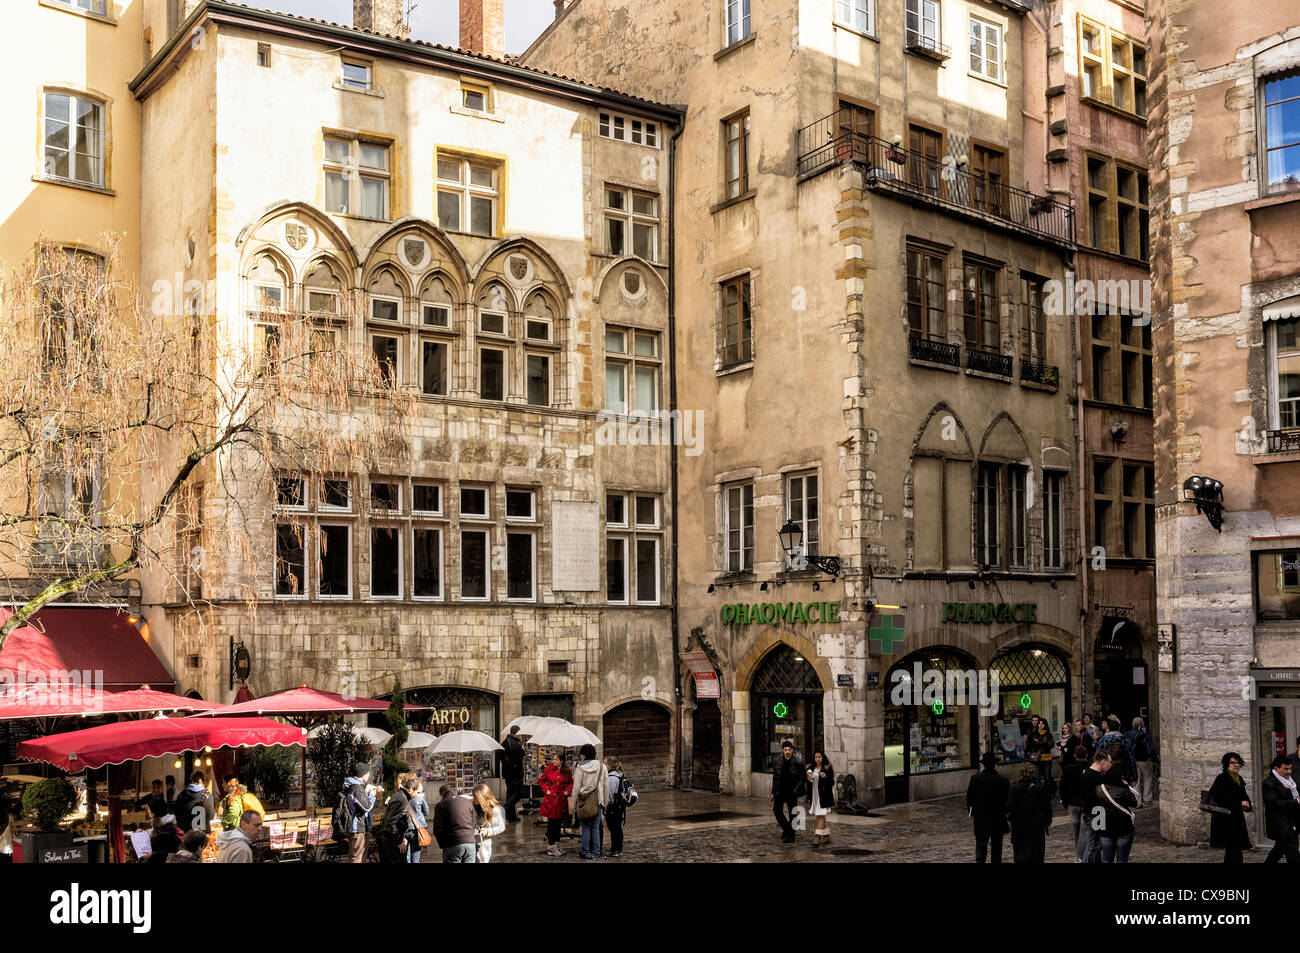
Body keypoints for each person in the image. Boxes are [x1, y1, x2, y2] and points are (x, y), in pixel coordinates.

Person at [1208, 751, 1252, 863]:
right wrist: (1239, 803)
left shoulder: (1238, 778)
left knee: (1235, 848)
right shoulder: (1222, 778)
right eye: (1232, 762)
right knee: (1233, 847)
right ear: (1226, 764)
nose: (1236, 765)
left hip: (1236, 817)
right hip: (1225, 818)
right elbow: (1219, 797)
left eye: (1238, 763)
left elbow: (1243, 795)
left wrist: (1247, 803)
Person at [967, 750, 1010, 863]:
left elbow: (970, 799)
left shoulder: (975, 779)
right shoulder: (1003, 780)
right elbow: (1007, 801)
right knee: (997, 846)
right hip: (998, 817)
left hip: (981, 817)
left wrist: (972, 813)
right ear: (995, 764)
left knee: (982, 843)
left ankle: (981, 861)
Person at [1005, 763, 1052, 863]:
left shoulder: (1014, 789)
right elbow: (1046, 806)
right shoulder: (1039, 789)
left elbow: (1010, 807)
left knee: (1020, 853)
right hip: (1036, 826)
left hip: (1019, 826)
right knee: (1036, 854)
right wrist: (1048, 820)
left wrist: (1011, 818)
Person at [570, 743, 609, 860]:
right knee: (595, 827)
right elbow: (606, 786)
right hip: (598, 801)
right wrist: (605, 802)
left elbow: (576, 787)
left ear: (583, 755)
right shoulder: (602, 767)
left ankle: (585, 851)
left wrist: (572, 804)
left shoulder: (580, 768)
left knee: (585, 827)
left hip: (583, 802)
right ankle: (596, 852)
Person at [1263, 753, 1300, 863]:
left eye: (1290, 768)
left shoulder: (1290, 781)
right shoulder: (1269, 783)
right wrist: (1296, 802)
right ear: (1276, 768)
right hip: (1280, 823)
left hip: (1291, 822)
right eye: (1285, 769)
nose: (1289, 772)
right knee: (1293, 853)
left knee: (1279, 850)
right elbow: (1274, 803)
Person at [1097, 766, 1138, 862]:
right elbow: (1134, 803)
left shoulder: (1099, 789)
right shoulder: (1123, 789)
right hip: (1124, 827)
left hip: (1105, 828)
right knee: (1122, 859)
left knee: (1106, 858)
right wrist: (1126, 786)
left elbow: (1097, 808)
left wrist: (1098, 828)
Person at [1077, 748, 1111, 863]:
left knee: (1095, 844)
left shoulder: (1090, 772)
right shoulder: (1091, 775)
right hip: (1096, 812)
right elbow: (1091, 798)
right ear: (1103, 761)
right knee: (1094, 845)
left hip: (1095, 812)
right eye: (1109, 762)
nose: (1110, 765)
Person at [771, 740, 806, 844]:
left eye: (789, 750)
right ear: (782, 750)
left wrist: (797, 788)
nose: (787, 752)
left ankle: (791, 835)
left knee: (793, 813)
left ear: (792, 751)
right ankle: (787, 829)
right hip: (780, 791)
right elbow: (775, 777)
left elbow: (803, 777)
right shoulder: (778, 761)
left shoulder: (798, 762)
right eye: (785, 750)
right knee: (776, 810)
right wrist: (773, 791)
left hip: (792, 791)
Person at [340, 763, 377, 864]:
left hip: (355, 827)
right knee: (358, 858)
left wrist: (366, 793)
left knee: (354, 855)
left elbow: (358, 803)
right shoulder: (357, 788)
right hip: (358, 827)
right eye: (368, 773)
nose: (369, 775)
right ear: (362, 774)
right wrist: (372, 796)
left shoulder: (353, 786)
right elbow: (366, 807)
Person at [538, 751, 573, 856]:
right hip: (552, 800)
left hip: (561, 800)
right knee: (552, 823)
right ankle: (551, 846)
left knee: (558, 823)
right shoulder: (549, 769)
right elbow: (541, 780)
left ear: (562, 761)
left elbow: (571, 782)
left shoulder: (567, 771)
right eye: (553, 759)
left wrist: (567, 791)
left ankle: (556, 846)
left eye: (556, 759)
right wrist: (547, 790)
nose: (553, 761)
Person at [432, 784, 477, 863]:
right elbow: (473, 822)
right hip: (470, 842)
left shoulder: (440, 805)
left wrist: (443, 845)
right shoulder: (468, 802)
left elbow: (438, 829)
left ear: (441, 795)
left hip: (453, 843)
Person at [378, 774, 415, 863]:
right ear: (411, 789)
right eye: (418, 792)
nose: (418, 795)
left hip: (396, 838)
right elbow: (391, 823)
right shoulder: (401, 799)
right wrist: (400, 840)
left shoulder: (400, 797)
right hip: (394, 841)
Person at [1059, 744, 1089, 850]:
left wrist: (1065, 801)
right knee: (1087, 829)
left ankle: (1079, 851)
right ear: (1087, 755)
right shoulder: (1090, 768)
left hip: (1072, 802)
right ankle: (1087, 850)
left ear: (1075, 756)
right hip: (1087, 802)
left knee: (1076, 829)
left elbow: (1063, 786)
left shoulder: (1068, 768)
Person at [1097, 717, 1137, 788]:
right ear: (1119, 728)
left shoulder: (1102, 740)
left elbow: (1098, 758)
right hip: (1123, 773)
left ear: (1109, 728)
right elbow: (1131, 760)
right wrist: (1134, 777)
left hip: (1106, 772)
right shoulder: (1125, 740)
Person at [806, 750, 836, 847]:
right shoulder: (811, 768)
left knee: (820, 815)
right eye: (816, 757)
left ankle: (817, 838)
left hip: (824, 796)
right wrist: (809, 779)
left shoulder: (827, 768)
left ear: (823, 758)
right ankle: (826, 836)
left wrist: (825, 777)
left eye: (819, 757)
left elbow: (832, 782)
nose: (817, 759)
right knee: (820, 815)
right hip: (815, 795)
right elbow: (809, 781)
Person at [1126, 717, 1156, 805]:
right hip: (1144, 759)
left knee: (1137, 778)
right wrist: (1154, 759)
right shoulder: (1144, 735)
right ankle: (1147, 798)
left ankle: (1137, 799)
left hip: (1133, 759)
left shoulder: (1128, 734)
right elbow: (1150, 749)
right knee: (1147, 777)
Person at [472, 783, 505, 863]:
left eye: (475, 797)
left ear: (481, 798)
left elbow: (501, 827)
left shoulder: (494, 809)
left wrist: (488, 831)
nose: (473, 799)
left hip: (484, 845)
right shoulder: (473, 805)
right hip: (471, 843)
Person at [141, 799, 180, 864]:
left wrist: (152, 854)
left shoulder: (167, 829)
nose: (148, 811)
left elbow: (172, 850)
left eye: (148, 809)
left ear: (154, 812)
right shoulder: (164, 823)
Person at [604, 756, 627, 858]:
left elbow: (610, 795)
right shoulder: (619, 775)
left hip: (614, 807)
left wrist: (606, 806)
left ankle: (615, 849)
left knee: (614, 829)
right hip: (619, 806)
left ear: (609, 765)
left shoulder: (612, 778)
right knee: (617, 828)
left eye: (604, 764)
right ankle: (618, 848)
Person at [502, 725, 526, 822]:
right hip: (515, 773)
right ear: (516, 733)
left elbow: (502, 757)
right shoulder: (514, 744)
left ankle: (510, 816)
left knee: (510, 793)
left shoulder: (504, 742)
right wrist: (522, 750)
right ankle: (504, 808)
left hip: (507, 773)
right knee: (518, 793)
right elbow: (519, 756)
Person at [1023, 714, 1054, 787]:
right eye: (1039, 723)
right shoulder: (1034, 733)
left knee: (1047, 777)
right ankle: (1038, 794)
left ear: (1045, 725)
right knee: (1037, 777)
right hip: (1037, 758)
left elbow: (1051, 745)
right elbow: (1032, 744)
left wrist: (1039, 743)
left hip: (1047, 758)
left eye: (1041, 723)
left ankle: (1048, 794)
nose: (1040, 725)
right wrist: (1043, 743)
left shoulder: (1048, 734)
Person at [408, 779, 429, 864]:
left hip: (407, 829)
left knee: (407, 855)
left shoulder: (403, 798)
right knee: (415, 856)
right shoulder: (420, 798)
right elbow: (427, 812)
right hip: (418, 829)